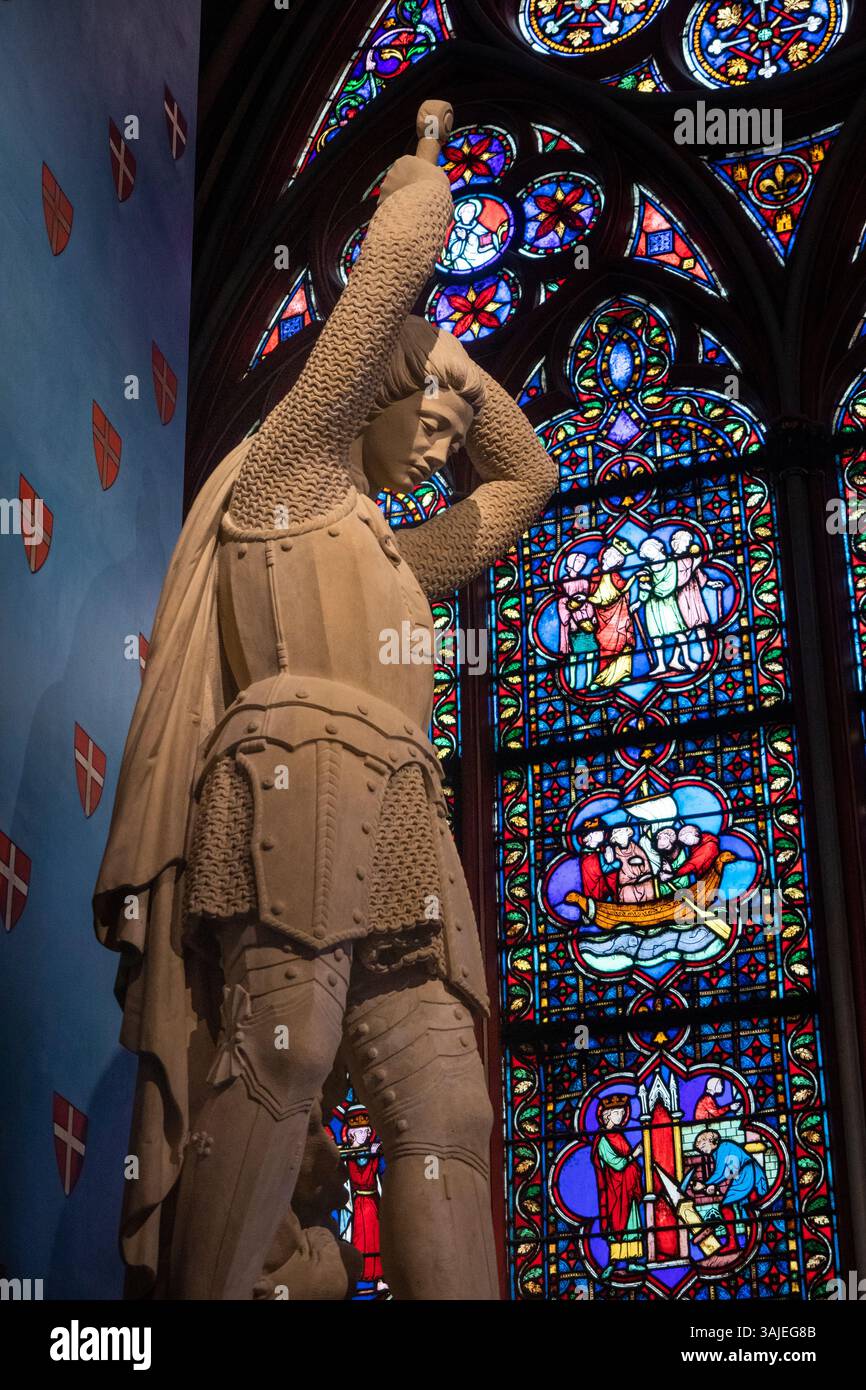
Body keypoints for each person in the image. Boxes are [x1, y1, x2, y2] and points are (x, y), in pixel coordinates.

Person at [93, 101, 557, 1301]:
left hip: (399, 794)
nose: (440, 450)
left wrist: (458, 370)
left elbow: (528, 479)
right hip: (293, 780)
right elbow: (393, 268)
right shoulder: (292, 472)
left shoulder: (405, 558)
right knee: (279, 1058)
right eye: (429, 421)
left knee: (448, 1107)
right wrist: (419, 195)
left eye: (452, 434)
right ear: (369, 396)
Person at [591, 1094, 645, 1280]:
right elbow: (616, 1163)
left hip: (627, 1188)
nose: (621, 1116)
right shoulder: (603, 1140)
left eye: (622, 1112)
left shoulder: (618, 1135)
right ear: (607, 1115)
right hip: (614, 1190)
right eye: (617, 1113)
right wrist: (635, 1154)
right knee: (617, 1224)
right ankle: (613, 1263)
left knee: (632, 1223)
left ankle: (632, 1261)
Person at [692, 1128, 768, 1254]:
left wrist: (705, 1184)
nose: (702, 1150)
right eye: (700, 1149)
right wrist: (710, 1186)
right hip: (744, 1175)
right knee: (748, 1206)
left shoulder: (724, 1147)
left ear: (712, 1141)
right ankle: (755, 1238)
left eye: (703, 1146)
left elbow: (721, 1172)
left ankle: (735, 1243)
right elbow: (728, 1172)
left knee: (726, 1207)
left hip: (747, 1174)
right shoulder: (718, 1152)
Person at [585, 540, 641, 688]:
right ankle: (601, 679)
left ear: (617, 562)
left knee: (624, 641)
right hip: (602, 616)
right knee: (606, 645)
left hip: (620, 613)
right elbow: (592, 593)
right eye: (608, 556)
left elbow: (622, 591)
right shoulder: (596, 573)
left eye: (613, 558)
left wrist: (634, 579)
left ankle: (624, 674)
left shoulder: (616, 576)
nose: (608, 559)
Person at [637, 536, 697, 676]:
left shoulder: (670, 563)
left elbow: (669, 585)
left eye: (649, 549)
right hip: (652, 606)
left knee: (679, 633)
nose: (647, 553)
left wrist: (650, 588)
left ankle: (687, 660)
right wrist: (641, 598)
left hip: (668, 604)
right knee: (656, 637)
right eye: (645, 552)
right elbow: (643, 589)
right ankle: (661, 665)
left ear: (657, 547)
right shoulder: (646, 569)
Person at [671, 529, 724, 665]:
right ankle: (675, 659)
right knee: (687, 629)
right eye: (686, 543)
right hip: (681, 597)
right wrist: (695, 564)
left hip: (694, 594)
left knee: (700, 625)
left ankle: (706, 652)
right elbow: (678, 581)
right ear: (676, 543)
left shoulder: (689, 558)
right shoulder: (671, 562)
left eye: (689, 543)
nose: (688, 546)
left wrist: (711, 583)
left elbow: (699, 575)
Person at [558, 551, 597, 691]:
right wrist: (572, 609)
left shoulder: (585, 581)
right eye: (578, 561)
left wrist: (592, 616)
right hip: (574, 621)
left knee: (591, 652)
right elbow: (564, 602)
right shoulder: (564, 581)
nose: (581, 564)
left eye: (583, 562)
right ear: (571, 563)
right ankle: (573, 682)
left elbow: (589, 599)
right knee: (574, 655)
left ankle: (589, 680)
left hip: (586, 618)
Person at [609, 825, 655, 904]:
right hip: (625, 882)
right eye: (617, 837)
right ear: (615, 840)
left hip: (641, 877)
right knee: (627, 892)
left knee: (649, 888)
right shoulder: (614, 852)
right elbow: (614, 871)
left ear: (628, 834)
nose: (620, 838)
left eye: (621, 834)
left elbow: (646, 861)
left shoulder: (635, 847)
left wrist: (645, 874)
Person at [578, 824, 616, 902]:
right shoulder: (587, 858)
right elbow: (602, 870)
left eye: (601, 831)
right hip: (595, 895)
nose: (601, 833)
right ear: (589, 836)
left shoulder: (602, 849)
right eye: (596, 832)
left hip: (606, 892)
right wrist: (616, 864)